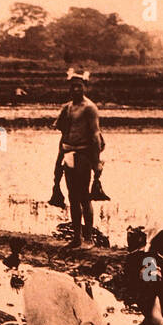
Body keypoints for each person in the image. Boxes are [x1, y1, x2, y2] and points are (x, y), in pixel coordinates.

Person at [49, 69, 105, 246]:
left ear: (85, 87)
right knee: (72, 196)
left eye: (79, 87)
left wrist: (96, 163)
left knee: (84, 196)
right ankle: (76, 238)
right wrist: (59, 159)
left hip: (83, 154)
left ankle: (88, 238)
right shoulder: (67, 108)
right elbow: (64, 134)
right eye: (73, 87)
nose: (75, 90)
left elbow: (96, 135)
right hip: (68, 153)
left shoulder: (89, 108)